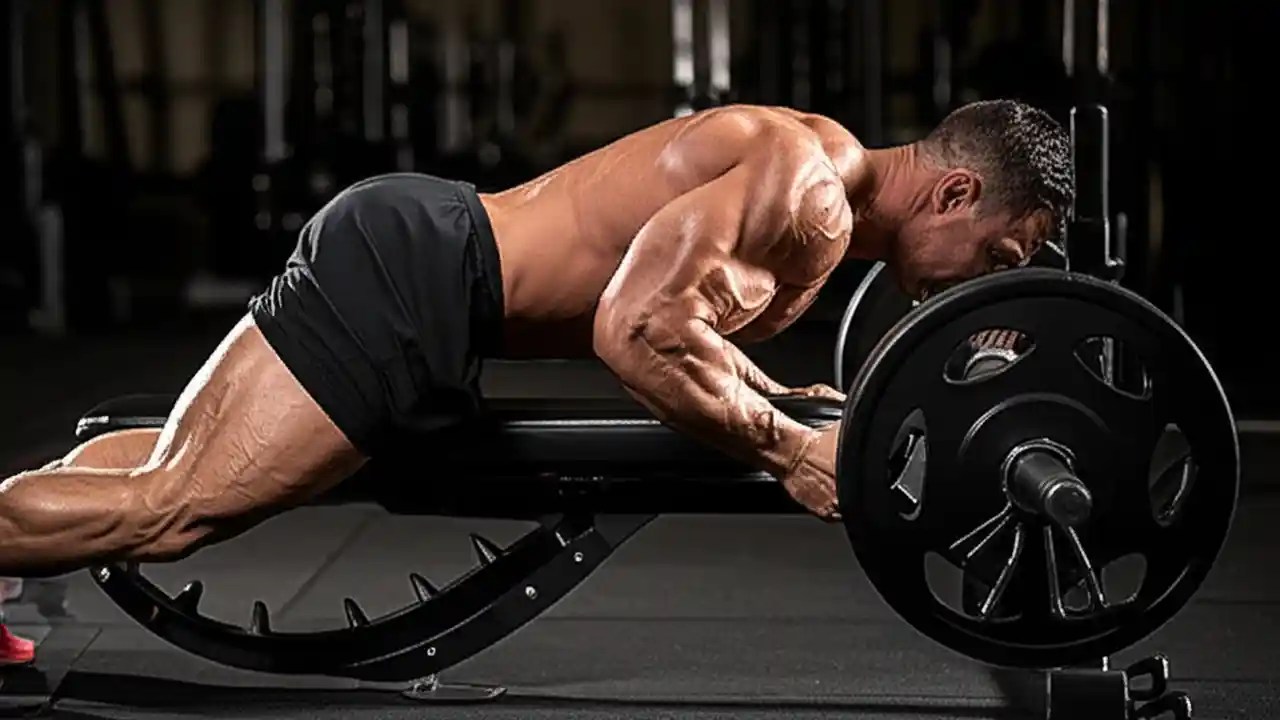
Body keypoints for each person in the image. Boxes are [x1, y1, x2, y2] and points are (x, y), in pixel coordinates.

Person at [0, 99, 1072, 577]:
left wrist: (776, 399)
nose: (987, 279)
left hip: (417, 245)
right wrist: (790, 453)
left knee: (171, 468)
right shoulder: (810, 199)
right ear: (954, 193)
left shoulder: (820, 171)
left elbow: (686, 313)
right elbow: (637, 328)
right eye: (1000, 254)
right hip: (425, 275)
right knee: (178, 512)